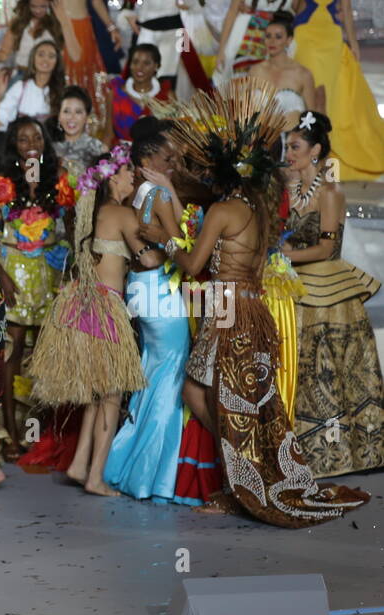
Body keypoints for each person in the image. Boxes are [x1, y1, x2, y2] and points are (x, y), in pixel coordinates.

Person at [140, 80, 369, 526]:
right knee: (222, 398)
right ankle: (245, 475)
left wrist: (163, 239)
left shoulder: (225, 210)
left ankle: (242, 486)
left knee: (224, 401)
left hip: (228, 308)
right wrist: (171, 184)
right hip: (247, 306)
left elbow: (192, 265)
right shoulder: (256, 205)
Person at [27, 146, 147, 497]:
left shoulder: (93, 211)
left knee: (96, 391)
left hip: (82, 304)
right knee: (111, 393)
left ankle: (81, 464)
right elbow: (151, 257)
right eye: (127, 172)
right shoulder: (121, 214)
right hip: (106, 308)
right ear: (112, 178)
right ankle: (96, 477)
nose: (133, 176)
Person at [282, 111, 384, 478]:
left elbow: (328, 249)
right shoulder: (290, 189)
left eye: (295, 147)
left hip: (326, 290)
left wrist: (285, 255)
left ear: (316, 150)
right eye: (287, 146)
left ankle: (336, 454)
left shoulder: (330, 191)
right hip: (294, 286)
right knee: (303, 372)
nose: (289, 153)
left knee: (327, 373)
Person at [103, 122, 193, 502]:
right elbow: (181, 243)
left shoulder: (135, 196)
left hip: (140, 290)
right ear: (145, 161)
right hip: (161, 288)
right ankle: (154, 475)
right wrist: (175, 199)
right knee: (169, 379)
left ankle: (127, 464)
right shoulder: (157, 192)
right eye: (167, 157)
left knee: (152, 372)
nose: (173, 163)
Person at [0, 116, 76, 460]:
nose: (31, 146)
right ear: (14, 146)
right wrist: (0, 275)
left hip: (50, 275)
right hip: (13, 275)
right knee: (11, 357)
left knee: (42, 361)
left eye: (36, 139)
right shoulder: (1, 183)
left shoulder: (60, 180)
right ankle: (11, 435)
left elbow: (71, 226)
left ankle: (37, 436)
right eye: (23, 140)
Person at [291, 0, 384, 180]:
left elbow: (346, 10)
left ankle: (323, 155)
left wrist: (353, 42)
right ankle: (306, 155)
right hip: (307, 35)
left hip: (328, 37)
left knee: (328, 97)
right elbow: (295, 5)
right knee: (307, 95)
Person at [247, 13, 317, 129]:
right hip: (259, 142)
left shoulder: (303, 74)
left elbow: (312, 117)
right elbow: (246, 112)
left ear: (289, 40)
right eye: (268, 36)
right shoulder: (255, 71)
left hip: (291, 142)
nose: (272, 41)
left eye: (278, 37)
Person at [107, 43, 172, 142]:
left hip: (157, 154)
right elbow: (108, 134)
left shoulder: (167, 96)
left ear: (157, 66)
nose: (139, 68)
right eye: (135, 62)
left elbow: (174, 135)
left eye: (146, 63)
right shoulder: (115, 94)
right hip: (123, 154)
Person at [50, 85, 104, 177]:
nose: (72, 117)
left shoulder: (98, 148)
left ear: (87, 116)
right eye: (66, 111)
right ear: (59, 116)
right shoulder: (50, 149)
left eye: (78, 112)